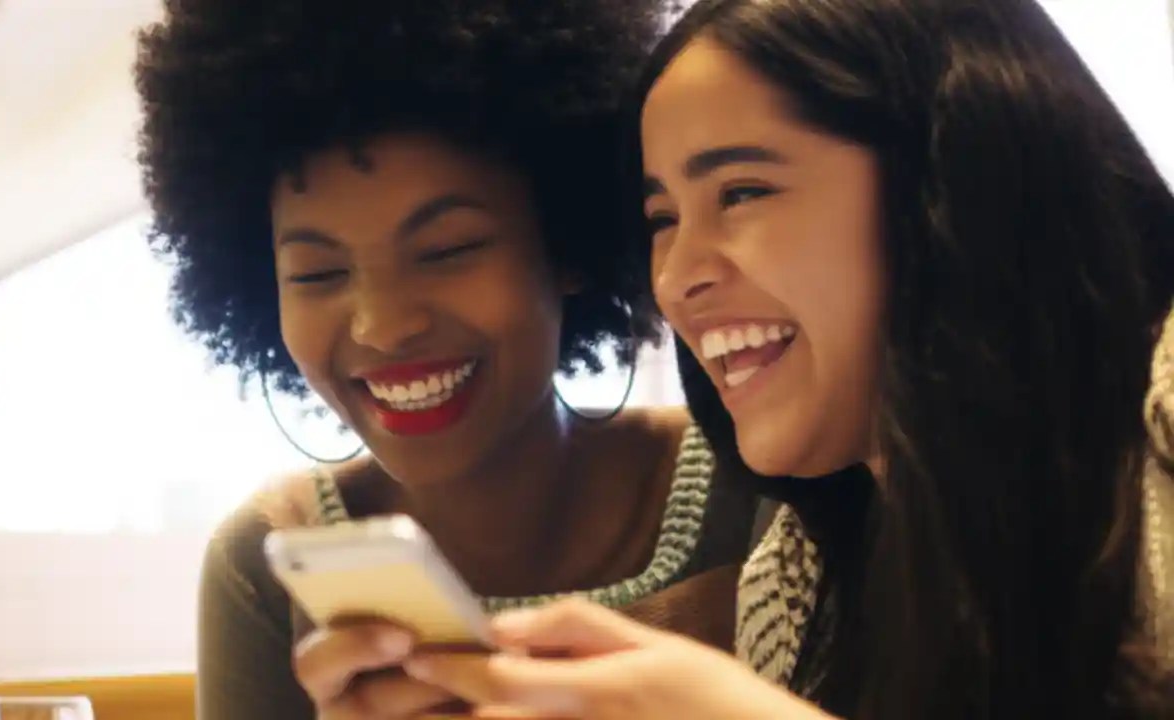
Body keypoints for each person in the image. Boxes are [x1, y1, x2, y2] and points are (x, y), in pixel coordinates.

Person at [395, 0, 1174, 717]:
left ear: (948, 181)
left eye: (741, 193)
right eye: (662, 217)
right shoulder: (794, 586)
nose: (674, 276)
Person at [133, 1, 765, 718]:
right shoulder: (265, 563)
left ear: (569, 244)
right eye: (316, 274)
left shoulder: (758, 486)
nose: (384, 326)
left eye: (448, 251)